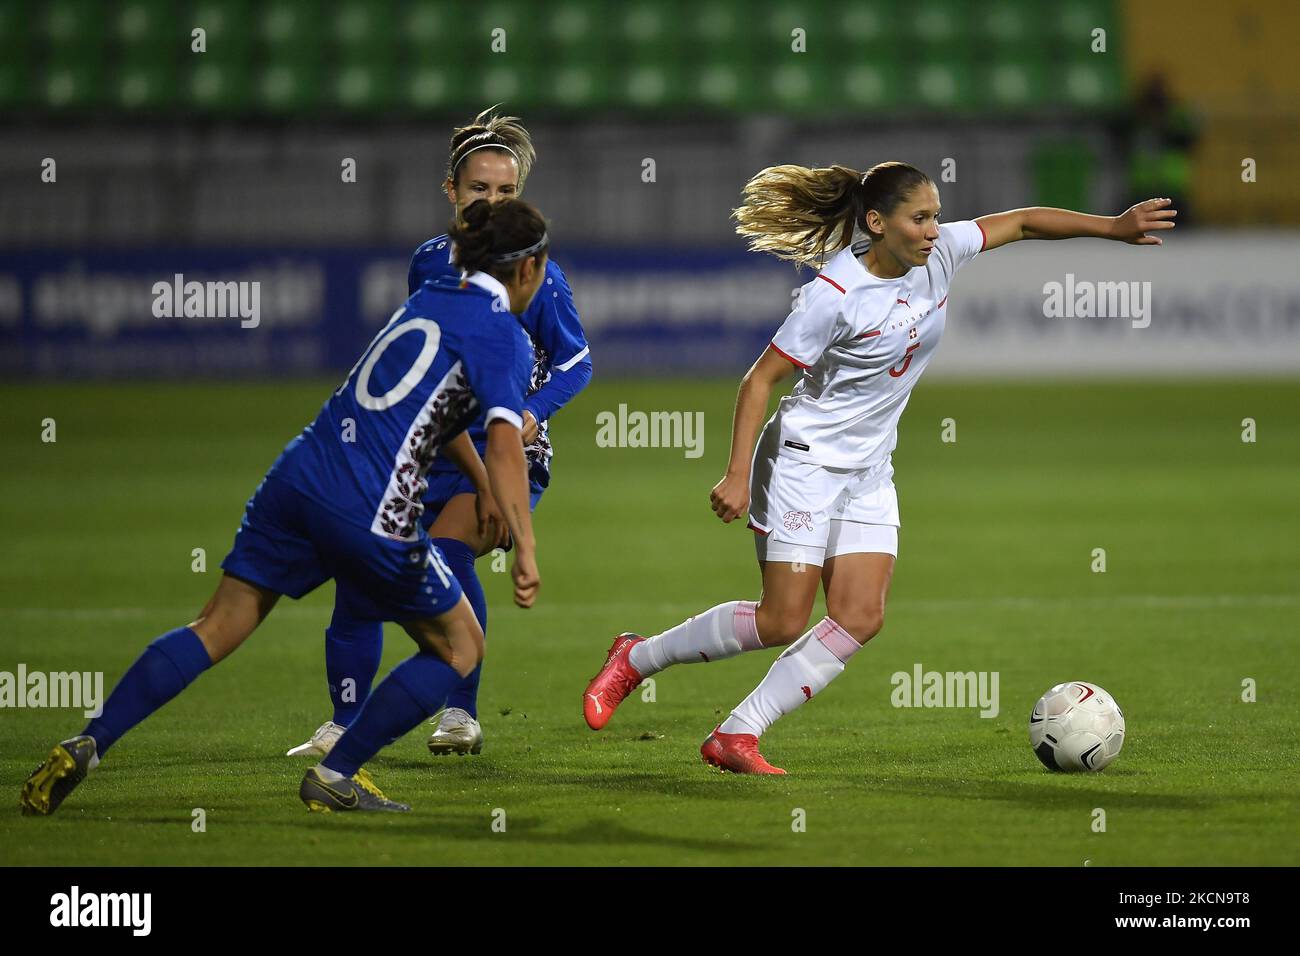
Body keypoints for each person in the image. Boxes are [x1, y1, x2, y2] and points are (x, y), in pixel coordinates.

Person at [582, 161, 1177, 774]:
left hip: (869, 471)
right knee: (782, 619)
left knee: (862, 615)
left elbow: (1024, 222)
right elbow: (760, 380)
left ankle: (738, 734)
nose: (934, 229)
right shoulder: (833, 295)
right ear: (877, 222)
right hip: (804, 463)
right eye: (919, 218)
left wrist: (1112, 226)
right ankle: (635, 658)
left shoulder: (940, 254)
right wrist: (736, 474)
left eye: (937, 216)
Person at [21, 199, 550, 815]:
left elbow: (431, 405)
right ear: (530, 268)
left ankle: (90, 739)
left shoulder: (435, 292)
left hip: (299, 475)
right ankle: (336, 774)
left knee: (216, 626)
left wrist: (477, 480)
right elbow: (510, 446)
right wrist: (526, 542)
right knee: (460, 646)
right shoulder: (505, 337)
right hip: (372, 505)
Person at [288, 107, 592, 760]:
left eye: (506, 192)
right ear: (451, 192)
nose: (492, 201)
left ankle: (461, 713)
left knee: (448, 558)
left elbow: (576, 360)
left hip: (504, 449)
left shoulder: (540, 273)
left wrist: (531, 411)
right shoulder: (428, 262)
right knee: (360, 581)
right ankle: (343, 722)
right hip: (432, 446)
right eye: (479, 189)